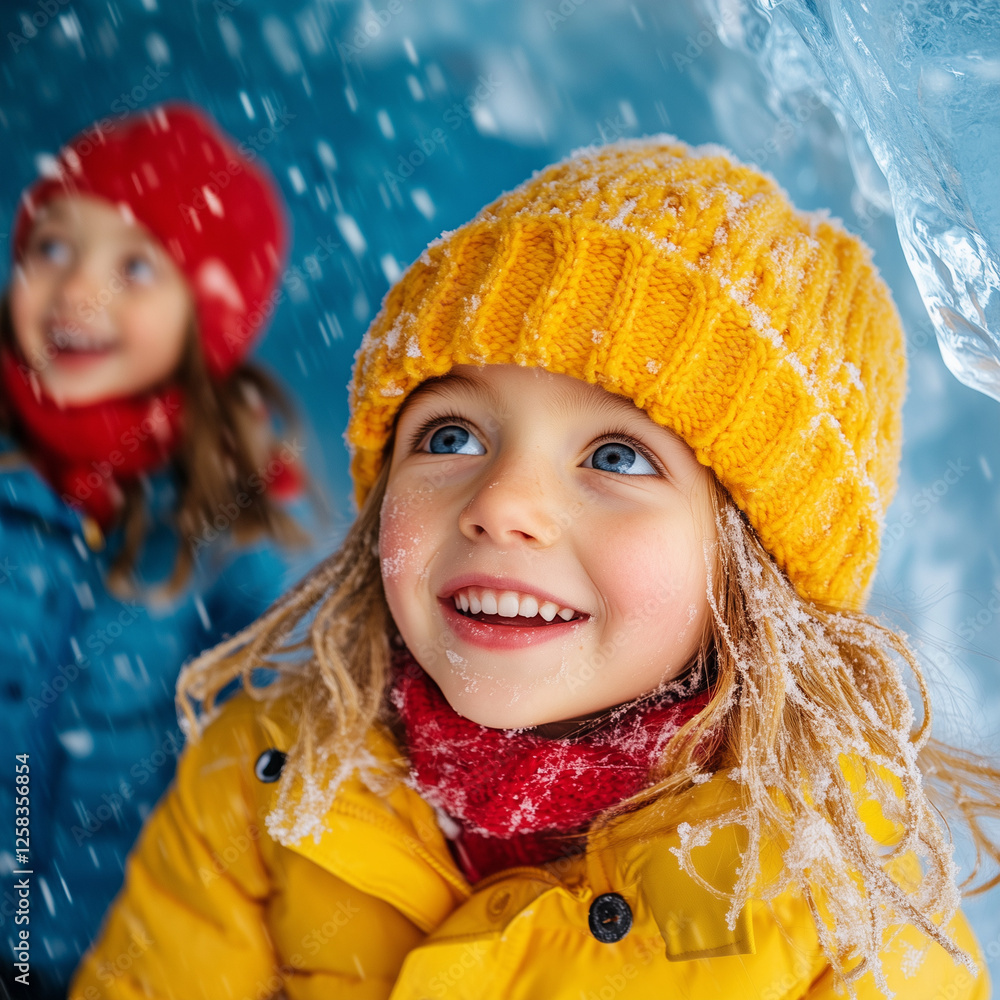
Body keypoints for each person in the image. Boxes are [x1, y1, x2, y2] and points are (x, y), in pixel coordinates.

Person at [70, 136, 998, 1000]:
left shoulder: (836, 890)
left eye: (619, 457)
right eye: (452, 434)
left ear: (756, 576)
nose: (502, 503)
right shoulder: (268, 778)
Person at [0, 102, 320, 997]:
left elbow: (268, 738)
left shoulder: (225, 523)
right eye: (52, 249)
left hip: (117, 954)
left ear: (205, 317)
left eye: (134, 266)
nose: (75, 293)